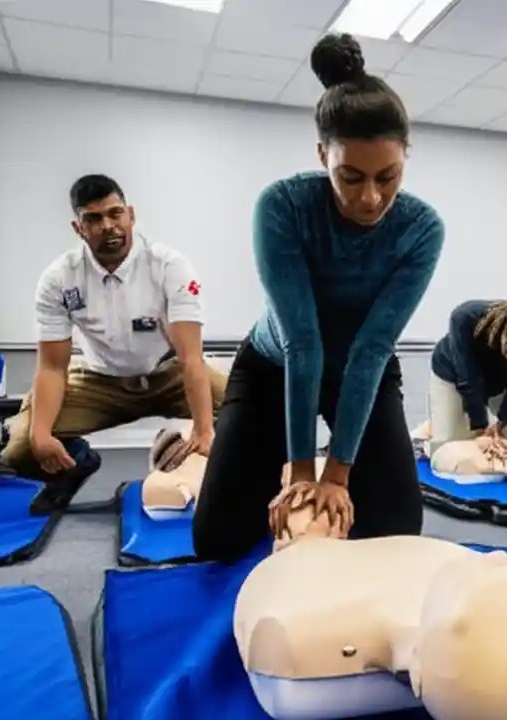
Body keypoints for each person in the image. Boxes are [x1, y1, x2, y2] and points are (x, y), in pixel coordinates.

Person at [192, 33, 444, 562]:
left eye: (388, 177)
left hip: (364, 368)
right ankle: (184, 455)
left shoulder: (421, 229)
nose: (370, 197)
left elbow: (372, 349)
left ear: (406, 161)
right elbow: (301, 342)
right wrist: (301, 473)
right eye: (349, 177)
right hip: (273, 365)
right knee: (217, 539)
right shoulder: (282, 206)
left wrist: (338, 475)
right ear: (321, 155)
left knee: (396, 528)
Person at [5, 174, 225, 514]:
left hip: (170, 375)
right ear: (79, 228)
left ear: (131, 215)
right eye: (94, 219)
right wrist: (42, 435)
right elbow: (52, 367)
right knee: (21, 447)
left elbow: (191, 358)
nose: (108, 225)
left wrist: (204, 430)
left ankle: (229, 481)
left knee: (254, 412)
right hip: (99, 381)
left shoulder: (170, 265)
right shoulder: (59, 278)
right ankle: (75, 464)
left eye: (115, 213)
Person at [427, 300, 507, 456]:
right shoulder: (464, 317)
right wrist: (481, 427)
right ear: (505, 330)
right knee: (445, 450)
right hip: (452, 376)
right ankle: (424, 436)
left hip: (500, 382)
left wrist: (501, 422)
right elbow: (468, 380)